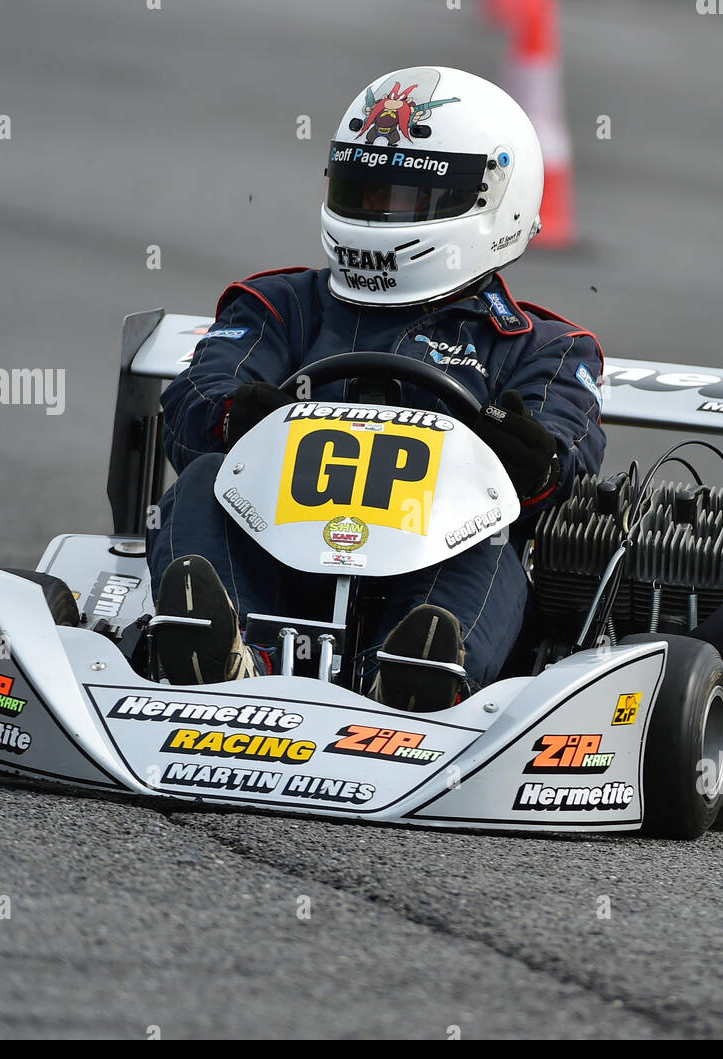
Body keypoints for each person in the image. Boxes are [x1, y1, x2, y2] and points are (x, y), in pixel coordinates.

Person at [148, 65, 605, 711]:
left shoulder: (544, 348)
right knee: (203, 479)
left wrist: (530, 459)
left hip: (432, 570)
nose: (380, 213)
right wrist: (235, 413)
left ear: (491, 199)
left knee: (498, 530)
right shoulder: (281, 305)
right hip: (274, 560)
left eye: (405, 198)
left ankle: (418, 675)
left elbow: (564, 467)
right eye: (364, 190)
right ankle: (227, 653)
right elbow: (196, 398)